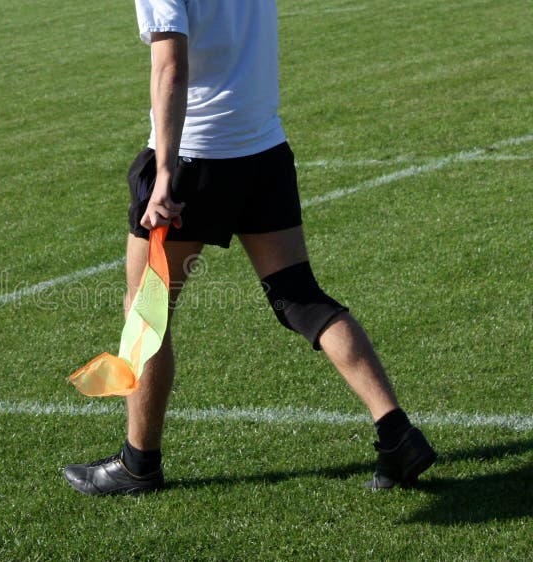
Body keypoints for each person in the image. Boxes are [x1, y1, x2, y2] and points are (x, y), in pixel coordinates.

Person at [63, 0, 436, 495]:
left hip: (196, 155)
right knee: (300, 298)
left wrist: (166, 172)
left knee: (147, 312)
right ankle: (396, 434)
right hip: (262, 152)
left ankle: (138, 464)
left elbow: (171, 65)